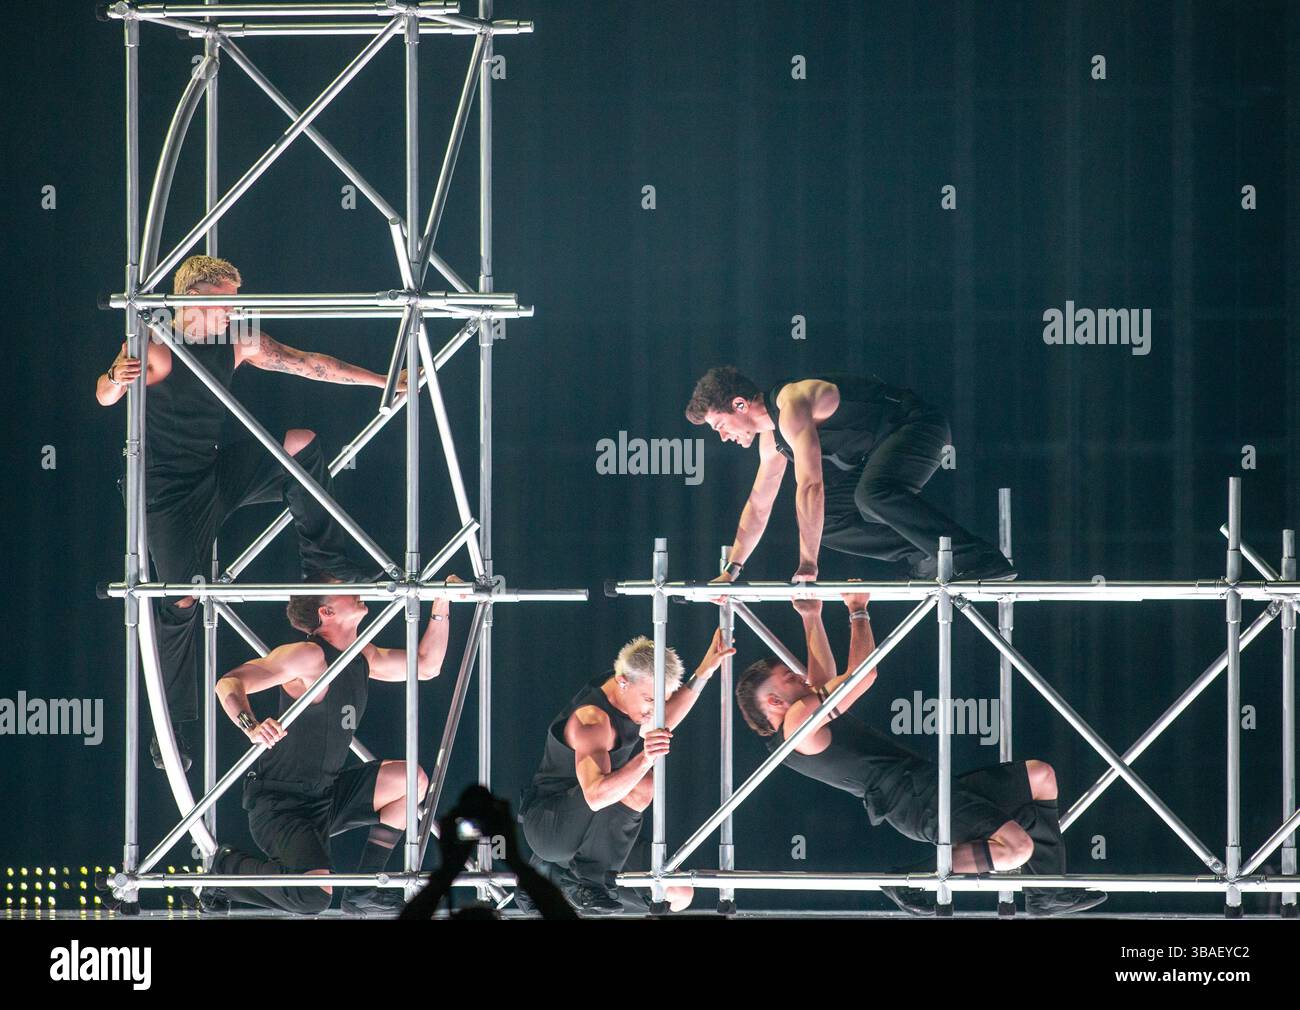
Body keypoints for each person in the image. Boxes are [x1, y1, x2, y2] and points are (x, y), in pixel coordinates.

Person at [97, 255, 407, 770]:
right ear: (195, 297)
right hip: (165, 493)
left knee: (302, 447)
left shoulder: (236, 340)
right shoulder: (153, 348)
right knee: (181, 601)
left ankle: (322, 569)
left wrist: (383, 380)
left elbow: (311, 363)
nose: (238, 307)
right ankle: (178, 720)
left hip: (213, 472)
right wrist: (115, 375)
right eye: (228, 297)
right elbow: (105, 396)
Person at [735, 586, 1106, 916]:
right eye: (789, 678)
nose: (799, 678)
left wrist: (811, 616)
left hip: (923, 787)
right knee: (1016, 849)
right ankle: (916, 881)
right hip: (914, 800)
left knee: (1039, 777)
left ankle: (1045, 892)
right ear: (773, 700)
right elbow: (863, 675)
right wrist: (858, 610)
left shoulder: (798, 725)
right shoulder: (797, 722)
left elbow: (820, 676)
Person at [199, 577, 458, 917]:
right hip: (283, 805)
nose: (357, 589)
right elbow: (229, 683)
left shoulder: (361, 654)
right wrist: (251, 725)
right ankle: (225, 871)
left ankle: (364, 888)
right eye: (346, 589)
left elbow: (427, 666)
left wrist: (442, 603)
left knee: (413, 780)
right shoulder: (309, 656)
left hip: (326, 795)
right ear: (327, 612)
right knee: (313, 898)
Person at [685, 366, 1014, 586]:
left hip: (917, 425)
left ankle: (982, 559)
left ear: (739, 404)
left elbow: (811, 485)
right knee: (827, 522)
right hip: (882, 447)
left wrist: (807, 564)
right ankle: (925, 556)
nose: (723, 436)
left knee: (872, 495)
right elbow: (759, 505)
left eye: (720, 426)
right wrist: (732, 570)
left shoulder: (793, 403)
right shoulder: (771, 439)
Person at [517, 630, 736, 915]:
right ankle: (572, 879)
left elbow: (663, 718)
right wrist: (645, 757)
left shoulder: (632, 697)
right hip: (552, 829)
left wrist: (703, 673)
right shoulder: (592, 721)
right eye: (649, 700)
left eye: (659, 701)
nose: (653, 711)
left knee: (678, 894)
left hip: (597, 837)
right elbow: (595, 796)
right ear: (622, 682)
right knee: (643, 783)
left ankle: (567, 881)